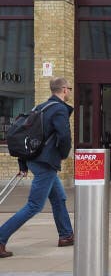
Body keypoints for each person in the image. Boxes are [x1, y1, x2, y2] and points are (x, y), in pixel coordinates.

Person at [0, 78, 75, 258]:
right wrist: (63, 155)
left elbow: (25, 137)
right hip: (45, 162)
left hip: (35, 160)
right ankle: (1, 237)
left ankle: (66, 235)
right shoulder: (58, 109)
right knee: (34, 205)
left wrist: (23, 163)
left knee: (59, 198)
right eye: (69, 89)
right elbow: (64, 136)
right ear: (64, 89)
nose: (70, 91)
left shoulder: (39, 107)